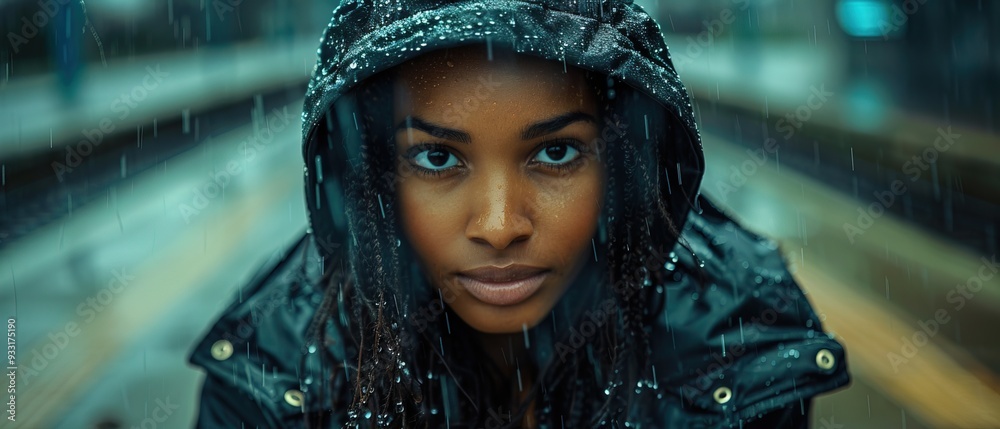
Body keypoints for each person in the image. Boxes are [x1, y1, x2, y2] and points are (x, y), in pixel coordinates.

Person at [188, 0, 851, 427]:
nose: (500, 225)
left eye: (556, 152)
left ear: (619, 165)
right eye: (439, 160)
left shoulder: (734, 339)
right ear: (377, 183)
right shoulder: (273, 371)